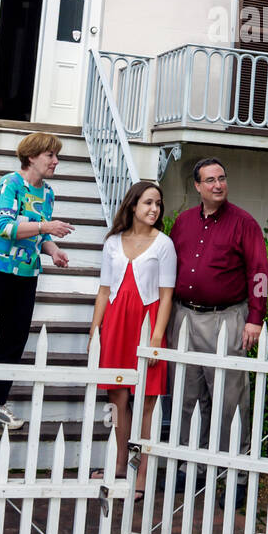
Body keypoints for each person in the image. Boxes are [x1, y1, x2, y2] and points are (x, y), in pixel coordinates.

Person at [168, 158, 268, 501]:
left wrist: (255, 317)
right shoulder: (182, 223)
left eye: (222, 178)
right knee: (186, 396)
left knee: (230, 399)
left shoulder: (244, 223)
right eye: (210, 180)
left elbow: (259, 272)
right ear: (197, 186)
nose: (218, 185)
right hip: (183, 317)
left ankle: (235, 475)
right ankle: (189, 467)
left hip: (226, 319)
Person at [0, 131, 72, 431]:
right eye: (50, 155)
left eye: (56, 155)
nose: (56, 161)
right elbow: (3, 226)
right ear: (32, 157)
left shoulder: (47, 192)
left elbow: (40, 233)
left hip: (25, 276)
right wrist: (45, 227)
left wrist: (53, 250)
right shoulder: (10, 183)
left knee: (13, 341)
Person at [89, 180, 176, 491]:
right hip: (115, 324)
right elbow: (103, 290)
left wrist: (156, 338)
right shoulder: (112, 242)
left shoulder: (164, 244)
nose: (154, 209)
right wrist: (94, 331)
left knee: (147, 404)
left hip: (147, 324)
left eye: (158, 204)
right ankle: (119, 464)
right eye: (148, 203)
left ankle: (141, 476)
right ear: (133, 206)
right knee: (118, 398)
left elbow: (166, 296)